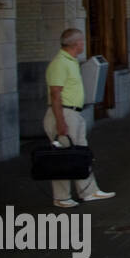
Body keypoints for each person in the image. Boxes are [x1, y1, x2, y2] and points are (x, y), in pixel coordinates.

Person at [43, 28, 115, 208]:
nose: (84, 44)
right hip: (64, 114)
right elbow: (55, 94)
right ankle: (62, 197)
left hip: (73, 113)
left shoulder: (71, 62)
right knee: (63, 157)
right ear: (75, 44)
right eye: (82, 41)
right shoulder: (60, 63)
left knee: (79, 154)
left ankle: (88, 191)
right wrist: (61, 122)